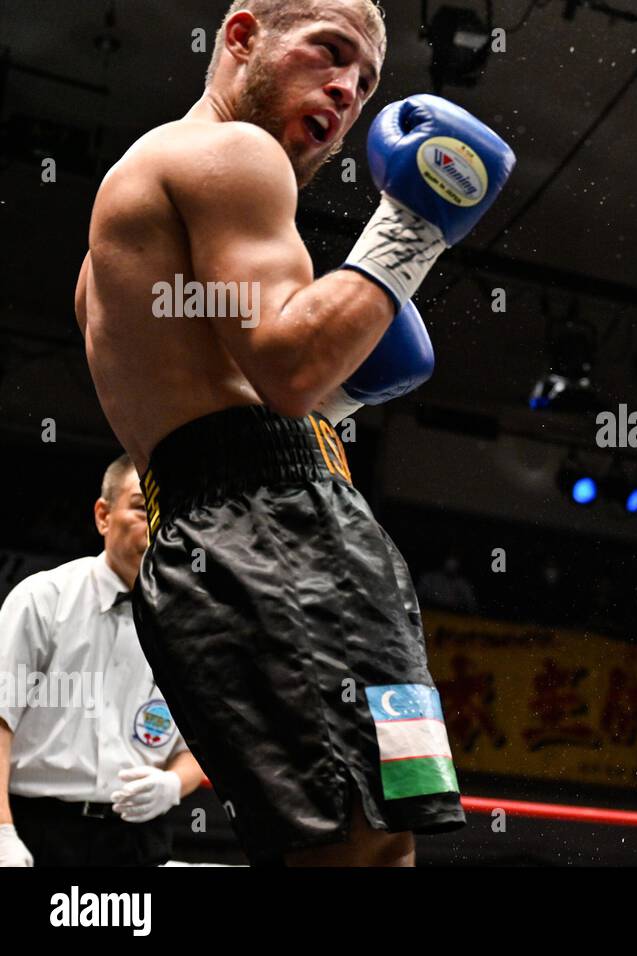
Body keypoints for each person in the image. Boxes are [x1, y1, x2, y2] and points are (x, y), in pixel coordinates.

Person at [74, 0, 514, 865]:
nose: (347, 90)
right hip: (277, 533)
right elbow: (287, 369)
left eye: (366, 82)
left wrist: (336, 406)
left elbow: (214, 415)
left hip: (223, 532)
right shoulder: (232, 154)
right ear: (242, 37)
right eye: (330, 51)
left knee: (361, 838)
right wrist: (413, 228)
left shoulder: (114, 242)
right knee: (359, 842)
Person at [0, 456, 203, 866]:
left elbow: (203, 743)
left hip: (140, 840)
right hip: (39, 829)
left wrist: (171, 784)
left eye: (171, 511)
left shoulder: (196, 623)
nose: (159, 525)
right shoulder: (43, 599)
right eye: (142, 508)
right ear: (103, 516)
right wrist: (2, 832)